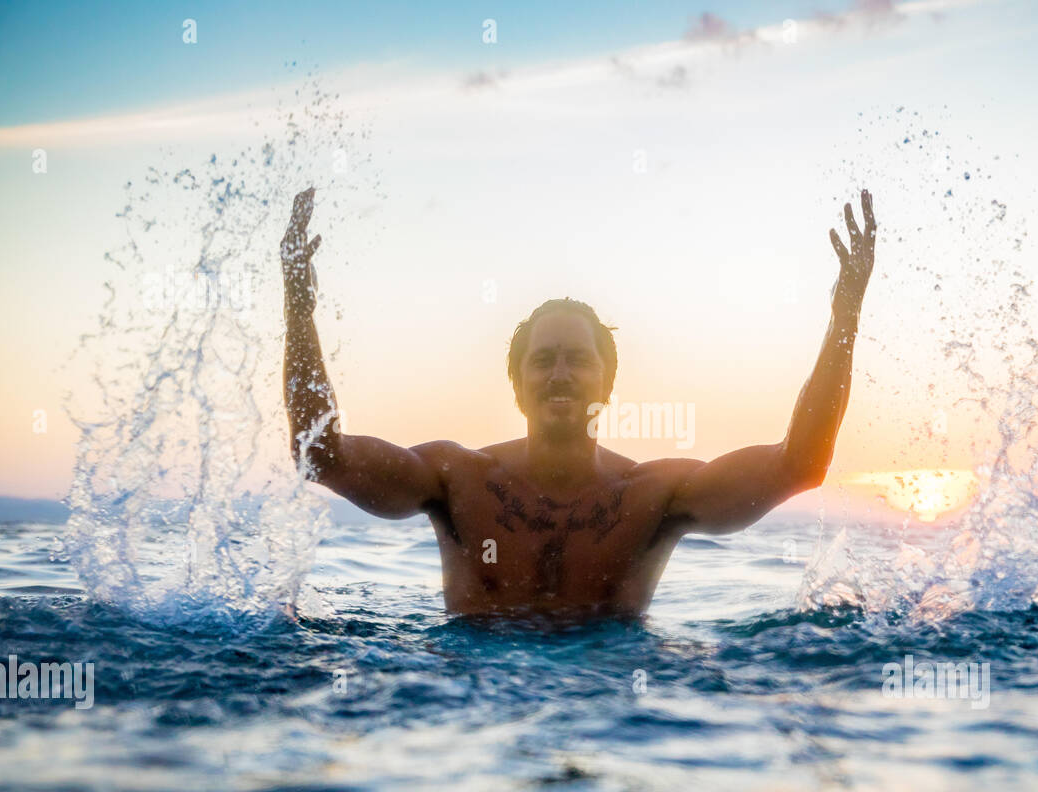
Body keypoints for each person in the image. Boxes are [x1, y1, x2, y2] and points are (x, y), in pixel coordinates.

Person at [281, 187, 876, 616]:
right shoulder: (455, 481)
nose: (559, 375)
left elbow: (801, 463)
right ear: (516, 384)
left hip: (617, 714)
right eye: (542, 361)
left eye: (578, 360)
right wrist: (299, 312)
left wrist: (843, 317)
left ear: (607, 383)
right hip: (473, 719)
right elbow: (321, 456)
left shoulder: (652, 496)